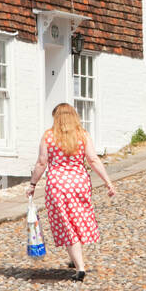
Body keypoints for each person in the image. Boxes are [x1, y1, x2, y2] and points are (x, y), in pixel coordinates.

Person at [27, 103, 117, 281]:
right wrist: (108, 182)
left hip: (58, 185)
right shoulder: (82, 135)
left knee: (65, 224)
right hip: (79, 184)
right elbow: (93, 159)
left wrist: (32, 184)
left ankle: (80, 268)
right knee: (76, 219)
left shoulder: (49, 136)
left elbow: (41, 163)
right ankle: (73, 258)